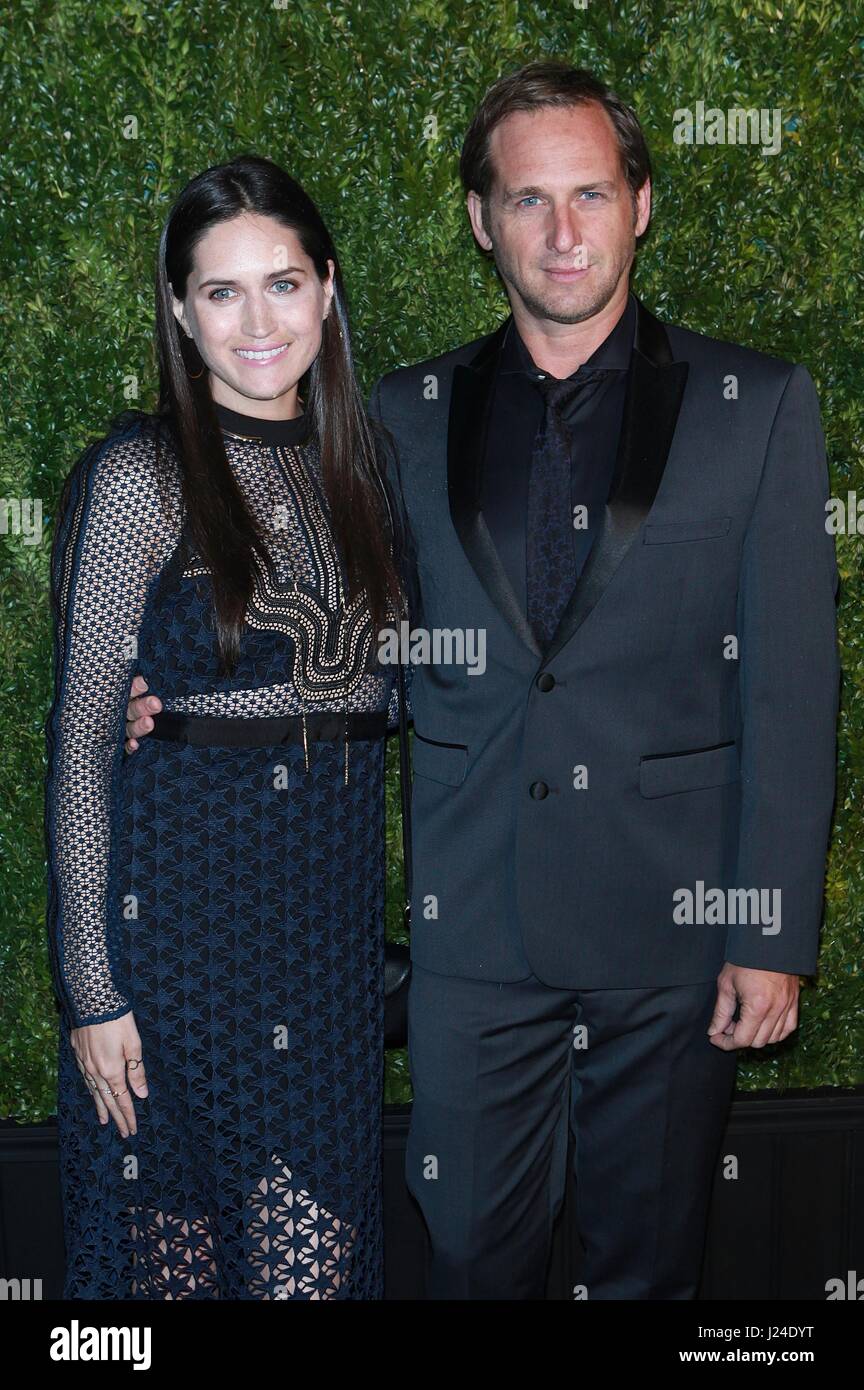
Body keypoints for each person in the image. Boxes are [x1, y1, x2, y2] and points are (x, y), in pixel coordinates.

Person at [127, 65, 840, 1301]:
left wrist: (769, 932)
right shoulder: (402, 416)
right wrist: (191, 705)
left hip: (668, 943)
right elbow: (365, 648)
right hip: (473, 947)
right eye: (527, 201)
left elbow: (790, 688)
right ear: (480, 220)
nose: (563, 234)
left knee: (650, 1269)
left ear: (641, 205)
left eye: (591, 195)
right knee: (467, 1265)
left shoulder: (758, 405)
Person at [45, 154, 404, 1300]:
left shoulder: (377, 472)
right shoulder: (140, 477)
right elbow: (85, 746)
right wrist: (93, 990)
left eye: (283, 283)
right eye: (221, 290)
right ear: (180, 310)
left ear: (329, 289)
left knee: (315, 1269)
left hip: (325, 957)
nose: (258, 320)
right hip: (179, 958)